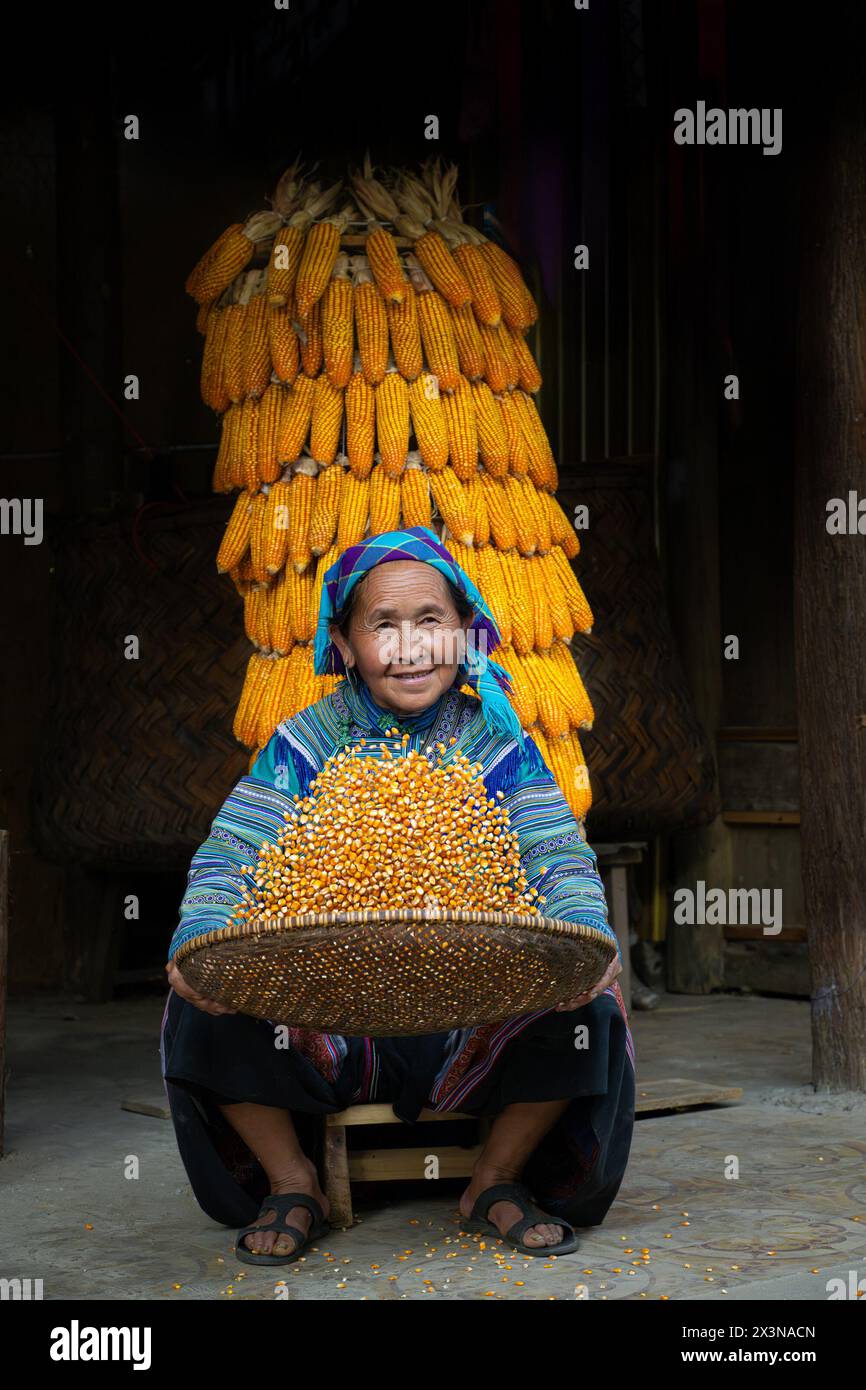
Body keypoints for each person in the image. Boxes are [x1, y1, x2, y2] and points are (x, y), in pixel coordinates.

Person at [162, 526, 634, 1265]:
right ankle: (294, 1183)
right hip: (330, 1015)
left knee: (587, 1005)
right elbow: (230, 854)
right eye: (383, 625)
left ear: (463, 634)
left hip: (474, 1010)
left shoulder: (497, 741)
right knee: (203, 997)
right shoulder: (305, 743)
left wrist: (581, 932)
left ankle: (496, 1179)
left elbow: (556, 852)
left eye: (430, 622)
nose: (410, 648)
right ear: (345, 645)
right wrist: (202, 933)